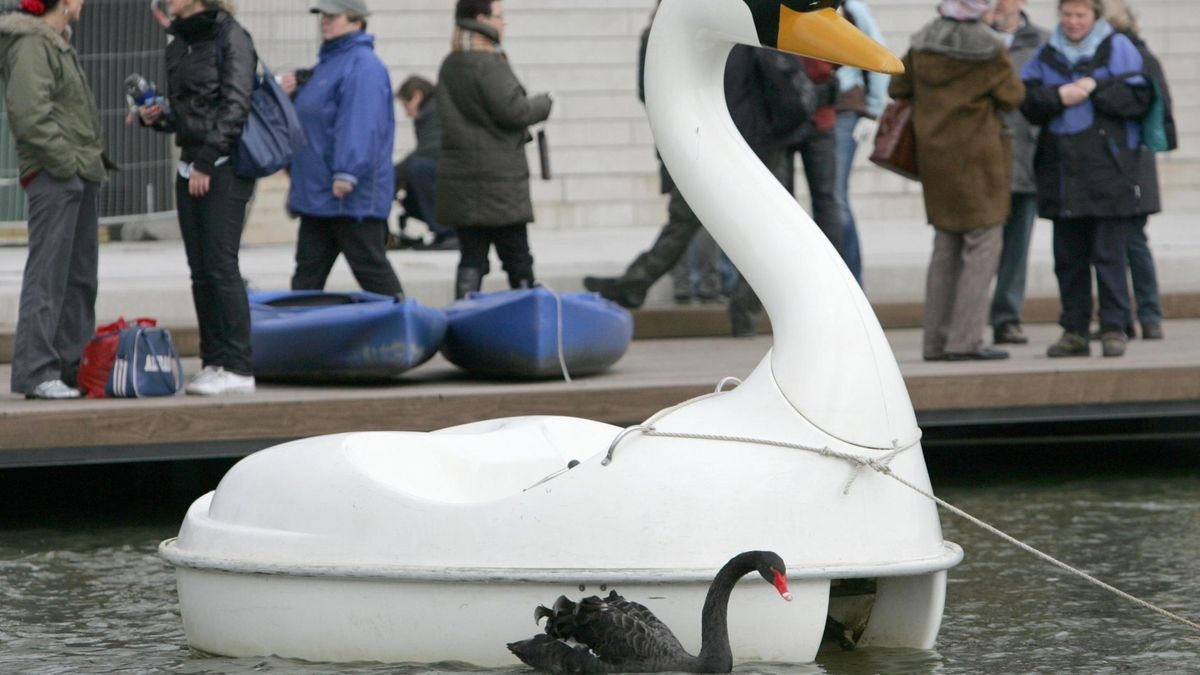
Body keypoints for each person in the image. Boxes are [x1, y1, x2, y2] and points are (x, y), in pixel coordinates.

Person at [584, 43, 786, 329]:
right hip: (723, 144)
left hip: (737, 146)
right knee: (702, 225)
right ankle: (635, 285)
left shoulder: (738, 35)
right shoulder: (722, 34)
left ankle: (744, 309)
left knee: (750, 232)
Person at [1021, 0, 1159, 358]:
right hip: (1062, 174)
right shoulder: (1047, 52)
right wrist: (1058, 96)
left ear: (1095, 17)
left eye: (1080, 15)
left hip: (1109, 172)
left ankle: (1114, 328)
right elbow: (1029, 102)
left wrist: (1093, 88)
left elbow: (1139, 98)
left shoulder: (1119, 47)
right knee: (1068, 260)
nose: (1072, 22)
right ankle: (1074, 331)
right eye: (1067, 14)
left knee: (1110, 256)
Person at [890, 0, 1025, 362]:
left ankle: (935, 342)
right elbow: (1013, 96)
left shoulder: (922, 42)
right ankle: (965, 340)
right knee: (982, 245)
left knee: (945, 246)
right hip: (980, 160)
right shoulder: (990, 47)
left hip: (936, 161)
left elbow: (896, 87)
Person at [138, 0, 257, 396]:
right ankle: (214, 362)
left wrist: (207, 160)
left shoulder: (231, 35)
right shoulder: (178, 43)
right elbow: (188, 112)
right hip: (190, 165)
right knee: (200, 270)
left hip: (223, 165)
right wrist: (158, 116)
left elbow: (236, 104)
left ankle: (238, 366)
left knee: (222, 266)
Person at [1, 0, 107, 400]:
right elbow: (29, 113)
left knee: (78, 278)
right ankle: (36, 371)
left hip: (77, 174)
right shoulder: (31, 43)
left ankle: (69, 367)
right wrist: (65, 163)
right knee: (47, 276)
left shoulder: (56, 41)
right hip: (56, 175)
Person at [284, 0, 404, 298]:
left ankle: (406, 331)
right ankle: (297, 338)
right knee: (306, 277)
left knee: (371, 269)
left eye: (333, 16)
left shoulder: (363, 65)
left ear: (356, 20)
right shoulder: (328, 64)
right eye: (323, 15)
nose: (325, 21)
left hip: (348, 197)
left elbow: (360, 122)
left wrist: (347, 172)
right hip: (320, 197)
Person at [436, 0, 552, 299]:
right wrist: (543, 104)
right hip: (499, 183)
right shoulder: (488, 63)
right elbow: (515, 111)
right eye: (499, 17)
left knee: (472, 257)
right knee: (517, 258)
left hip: (463, 181)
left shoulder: (451, 63)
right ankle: (528, 319)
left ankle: (462, 316)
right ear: (480, 19)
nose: (504, 23)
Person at [1105, 0, 1169, 341]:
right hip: (1128, 164)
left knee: (1129, 241)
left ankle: (1144, 314)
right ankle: (1141, 316)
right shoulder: (1145, 58)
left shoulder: (1133, 60)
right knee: (1129, 242)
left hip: (1129, 164)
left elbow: (1158, 118)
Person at [986, 0, 1048, 346]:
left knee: (1017, 246)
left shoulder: (1042, 41)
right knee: (979, 244)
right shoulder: (974, 36)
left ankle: (1006, 318)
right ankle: (965, 321)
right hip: (982, 160)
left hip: (1026, 157)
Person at [834, 0, 890, 285]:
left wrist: (873, 110)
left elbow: (877, 53)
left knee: (836, 198)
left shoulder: (852, 8)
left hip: (844, 108)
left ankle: (852, 280)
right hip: (802, 110)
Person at [392, 75, 456, 251]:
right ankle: (443, 230)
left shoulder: (434, 111)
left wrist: (393, 175)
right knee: (414, 173)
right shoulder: (432, 110)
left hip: (448, 173)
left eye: (406, 105)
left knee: (420, 169)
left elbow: (428, 153)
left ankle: (448, 232)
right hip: (448, 171)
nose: (406, 113)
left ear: (417, 96)